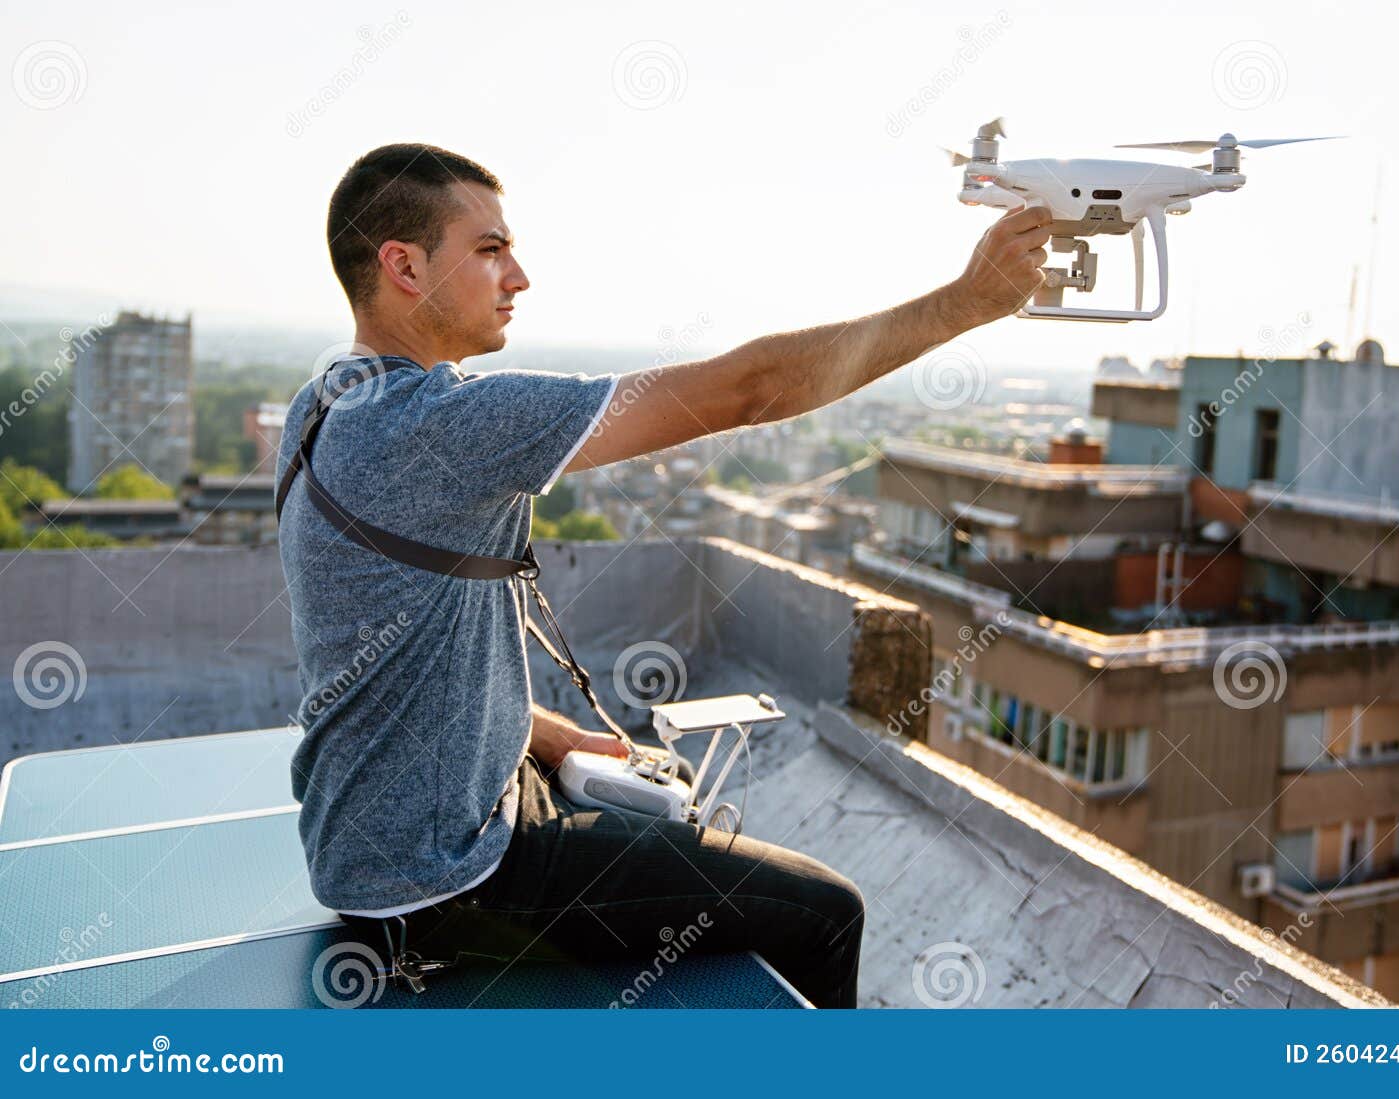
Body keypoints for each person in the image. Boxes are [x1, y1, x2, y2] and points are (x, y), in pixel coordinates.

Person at [276, 143, 1050, 1009]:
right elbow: (747, 389)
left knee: (672, 818)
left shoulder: (325, 405)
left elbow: (382, 649)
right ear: (404, 265)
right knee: (827, 912)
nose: (519, 276)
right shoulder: (444, 423)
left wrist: (548, 734)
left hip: (391, 834)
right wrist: (967, 302)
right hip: (448, 880)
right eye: (490, 249)